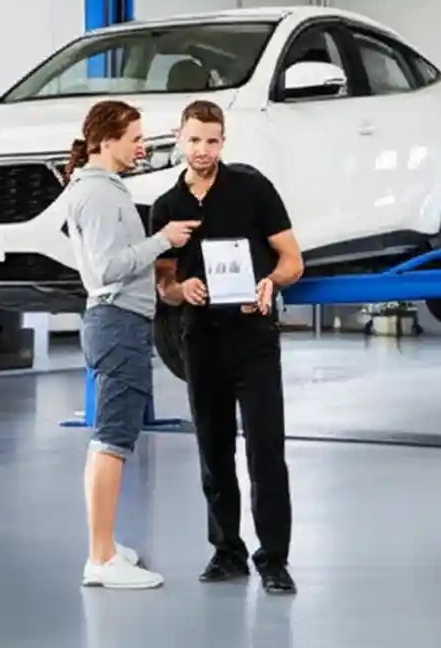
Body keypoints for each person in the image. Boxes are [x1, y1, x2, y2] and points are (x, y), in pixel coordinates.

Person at [148, 99, 304, 595]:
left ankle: (274, 559)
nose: (202, 150)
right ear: (180, 138)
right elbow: (164, 284)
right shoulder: (167, 207)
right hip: (201, 339)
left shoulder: (252, 188)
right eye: (194, 140)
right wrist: (180, 291)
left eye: (212, 140)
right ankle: (226, 551)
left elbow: (292, 259)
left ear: (223, 140)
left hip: (253, 336)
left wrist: (271, 283)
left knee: (265, 449)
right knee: (212, 448)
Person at [64, 99, 200, 590]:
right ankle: (100, 559)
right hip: (116, 319)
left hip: (118, 320)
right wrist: (163, 239)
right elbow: (105, 269)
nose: (143, 146)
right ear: (107, 140)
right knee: (113, 440)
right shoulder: (99, 195)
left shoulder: (101, 188)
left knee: (109, 436)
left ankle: (104, 545)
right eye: (135, 138)